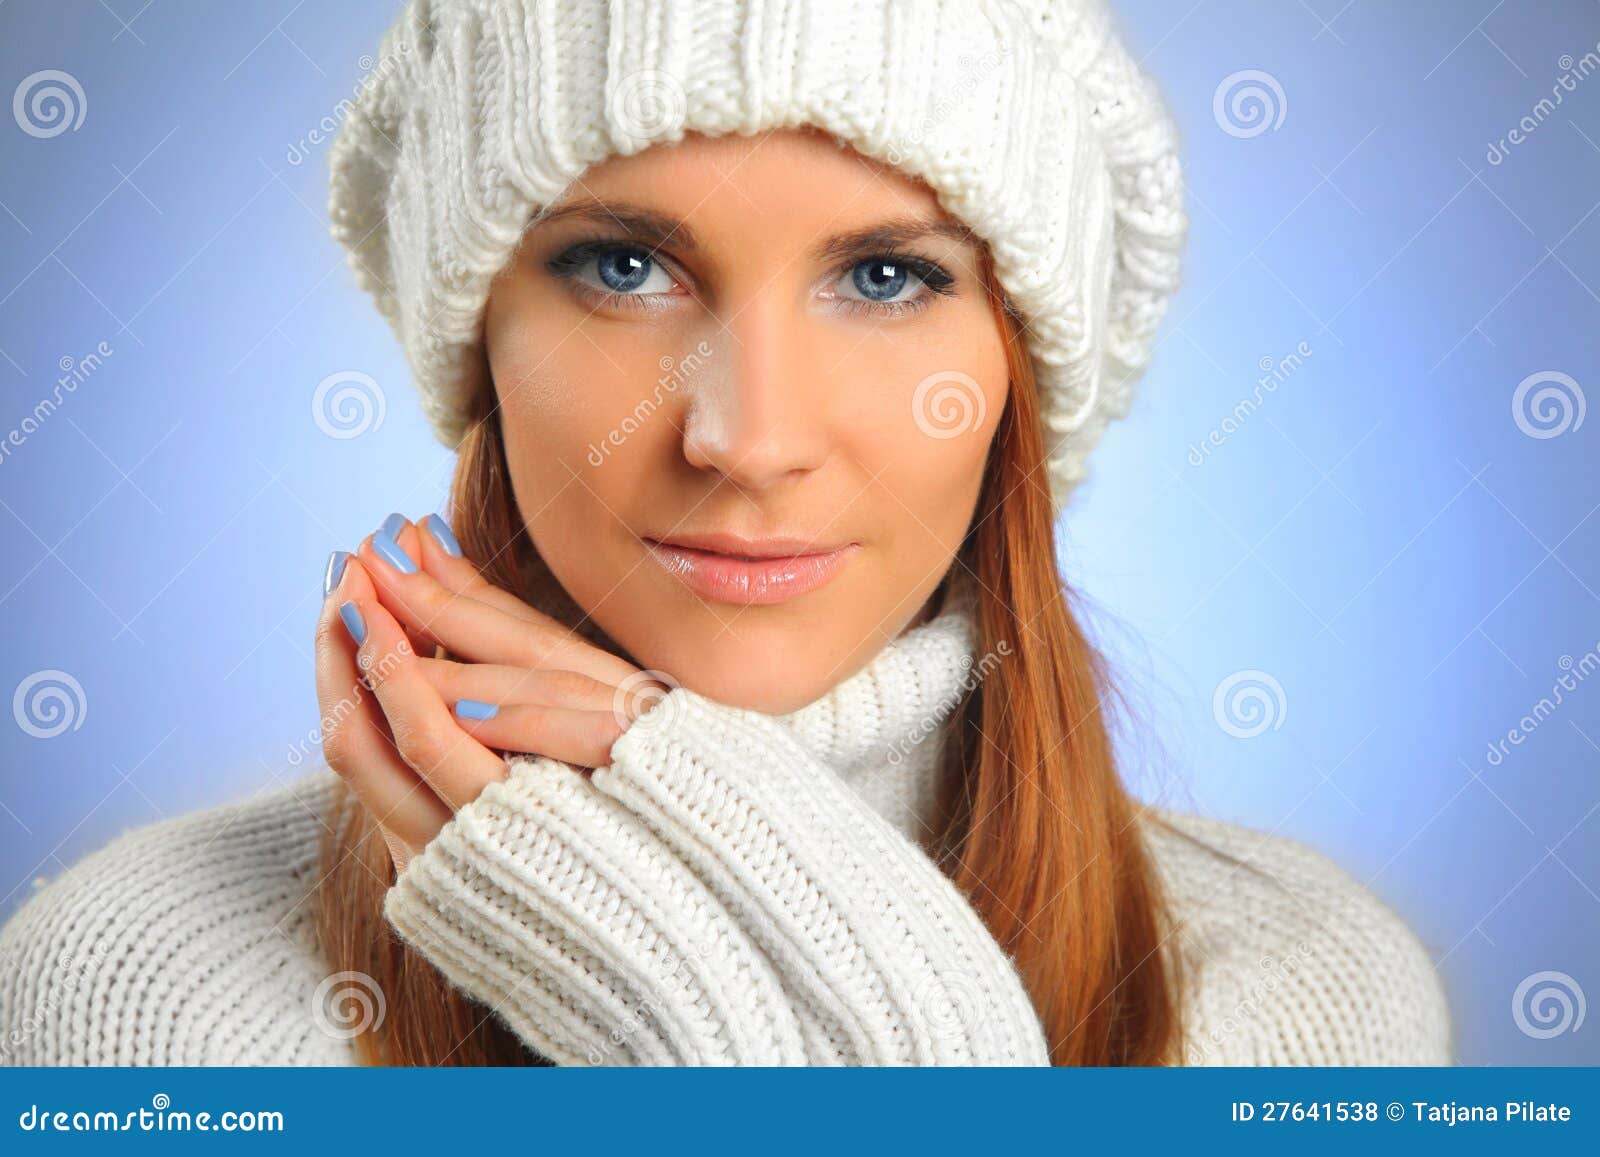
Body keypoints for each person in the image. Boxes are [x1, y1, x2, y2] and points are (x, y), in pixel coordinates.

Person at [0, 0, 1452, 1067]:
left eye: (886, 276)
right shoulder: (147, 997)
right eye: (622, 265)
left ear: (1022, 371)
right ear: (479, 345)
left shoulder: (1304, 1005)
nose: (746, 439)